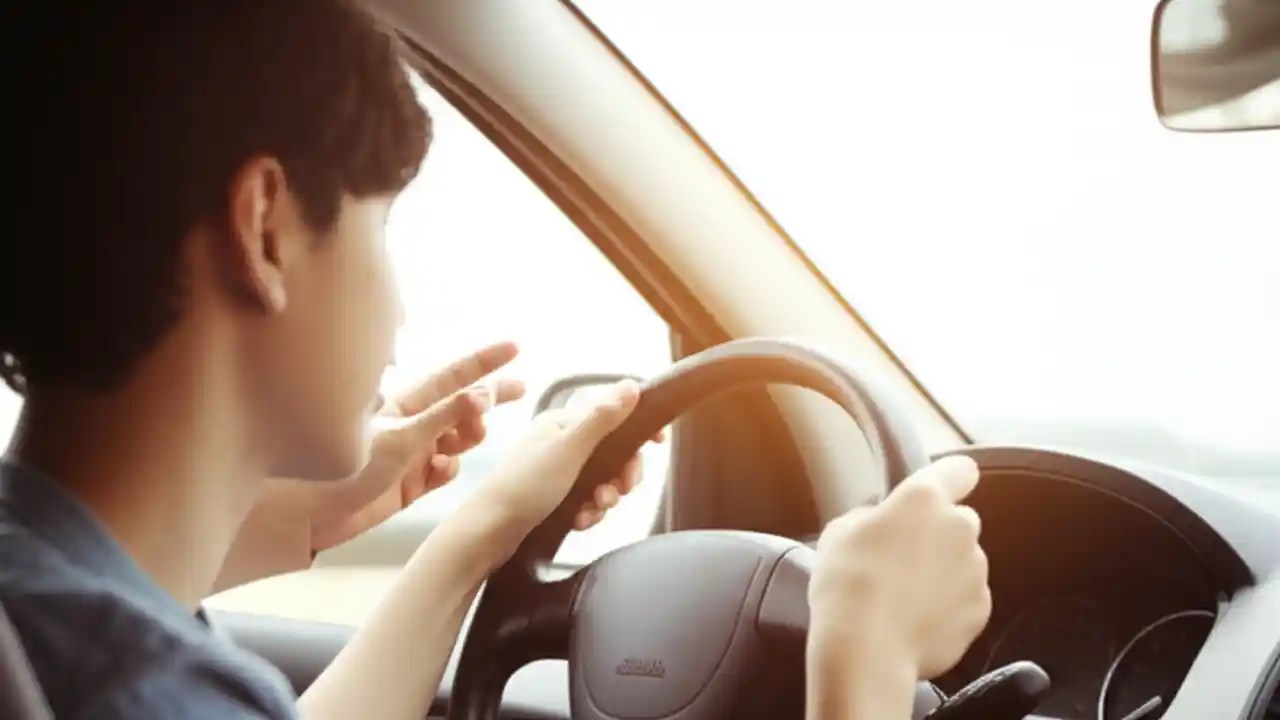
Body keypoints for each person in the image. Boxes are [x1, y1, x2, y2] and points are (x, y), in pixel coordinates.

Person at [0, 1, 990, 718]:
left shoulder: (44, 615)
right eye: (382, 230)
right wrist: (862, 658)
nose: (399, 303)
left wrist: (483, 529)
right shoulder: (134, 686)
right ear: (264, 230)